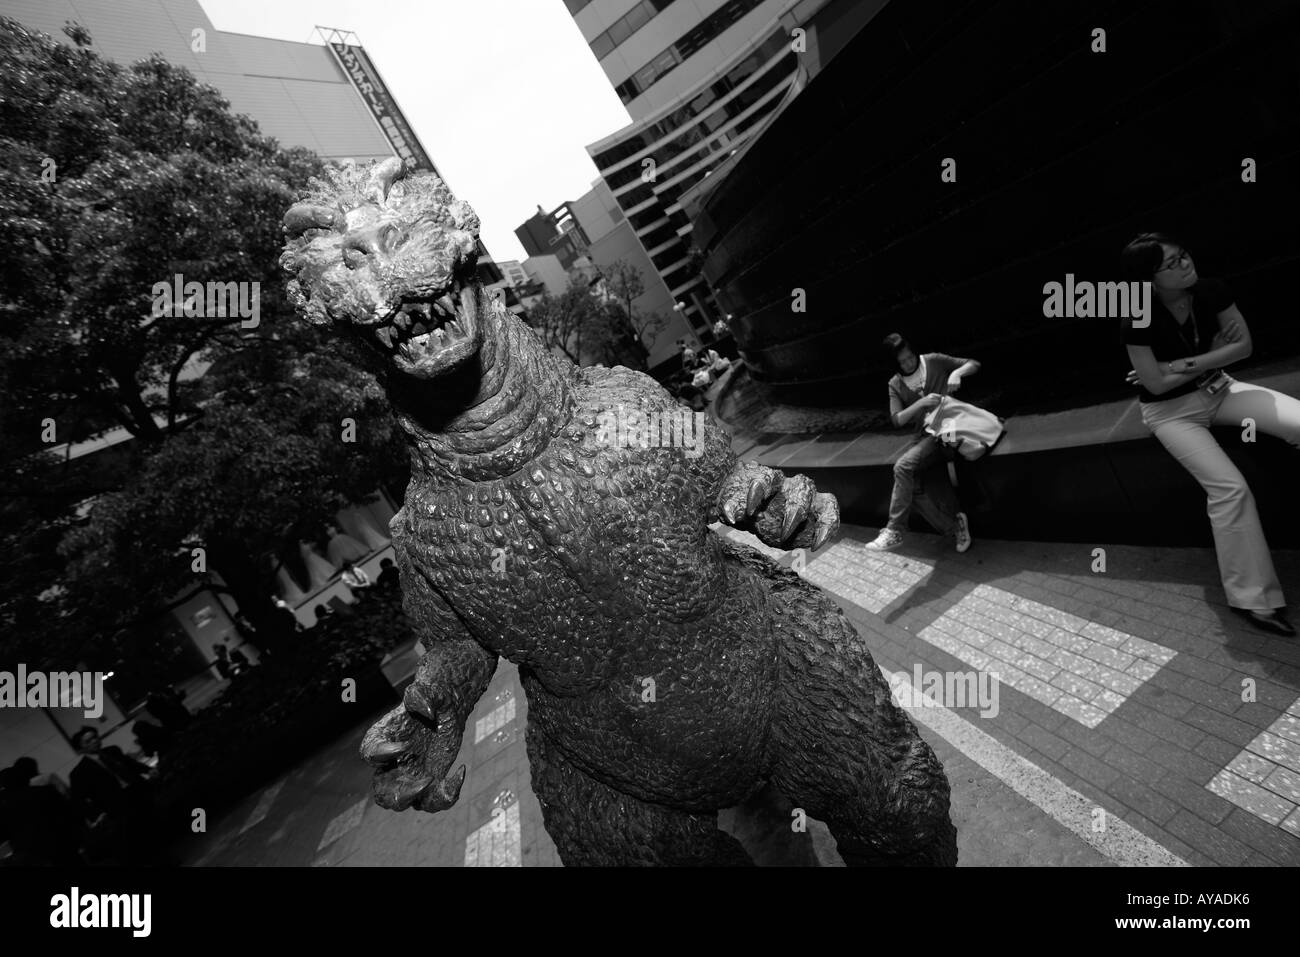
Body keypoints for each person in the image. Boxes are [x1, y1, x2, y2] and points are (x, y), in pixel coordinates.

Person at [1120, 232, 1300, 636]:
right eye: (1172, 263)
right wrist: (1200, 360)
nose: (1186, 264)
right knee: (1229, 489)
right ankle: (1254, 600)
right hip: (1171, 414)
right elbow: (1155, 386)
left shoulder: (1211, 290)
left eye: (1184, 255)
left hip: (1221, 388)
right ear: (1148, 279)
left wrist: (1180, 364)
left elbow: (1244, 348)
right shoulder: (1137, 317)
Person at [865, 334, 978, 553]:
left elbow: (973, 364)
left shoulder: (933, 360)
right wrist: (921, 404)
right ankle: (956, 526)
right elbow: (897, 419)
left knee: (902, 467)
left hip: (947, 429)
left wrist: (957, 372)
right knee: (909, 486)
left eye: (910, 358)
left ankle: (894, 530)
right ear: (895, 364)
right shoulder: (895, 384)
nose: (909, 363)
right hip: (925, 436)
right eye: (903, 362)